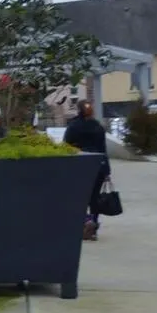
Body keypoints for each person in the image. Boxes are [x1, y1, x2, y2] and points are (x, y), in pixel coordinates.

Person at [64, 100, 109, 241]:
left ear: (78, 110)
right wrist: (107, 170)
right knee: (94, 198)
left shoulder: (73, 126)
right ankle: (93, 226)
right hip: (98, 165)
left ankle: (85, 223)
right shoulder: (98, 127)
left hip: (80, 165)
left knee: (78, 197)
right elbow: (103, 149)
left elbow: (67, 146)